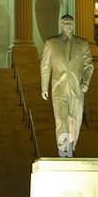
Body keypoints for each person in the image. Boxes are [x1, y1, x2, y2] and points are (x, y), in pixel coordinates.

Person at [40, 13, 94, 157]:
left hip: (77, 87)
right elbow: (45, 67)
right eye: (65, 23)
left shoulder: (82, 44)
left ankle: (72, 147)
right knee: (61, 119)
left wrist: (86, 82)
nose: (68, 26)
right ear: (61, 24)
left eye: (70, 23)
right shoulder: (51, 43)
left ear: (74, 25)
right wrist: (44, 87)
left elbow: (89, 66)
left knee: (75, 119)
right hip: (58, 87)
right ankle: (64, 149)